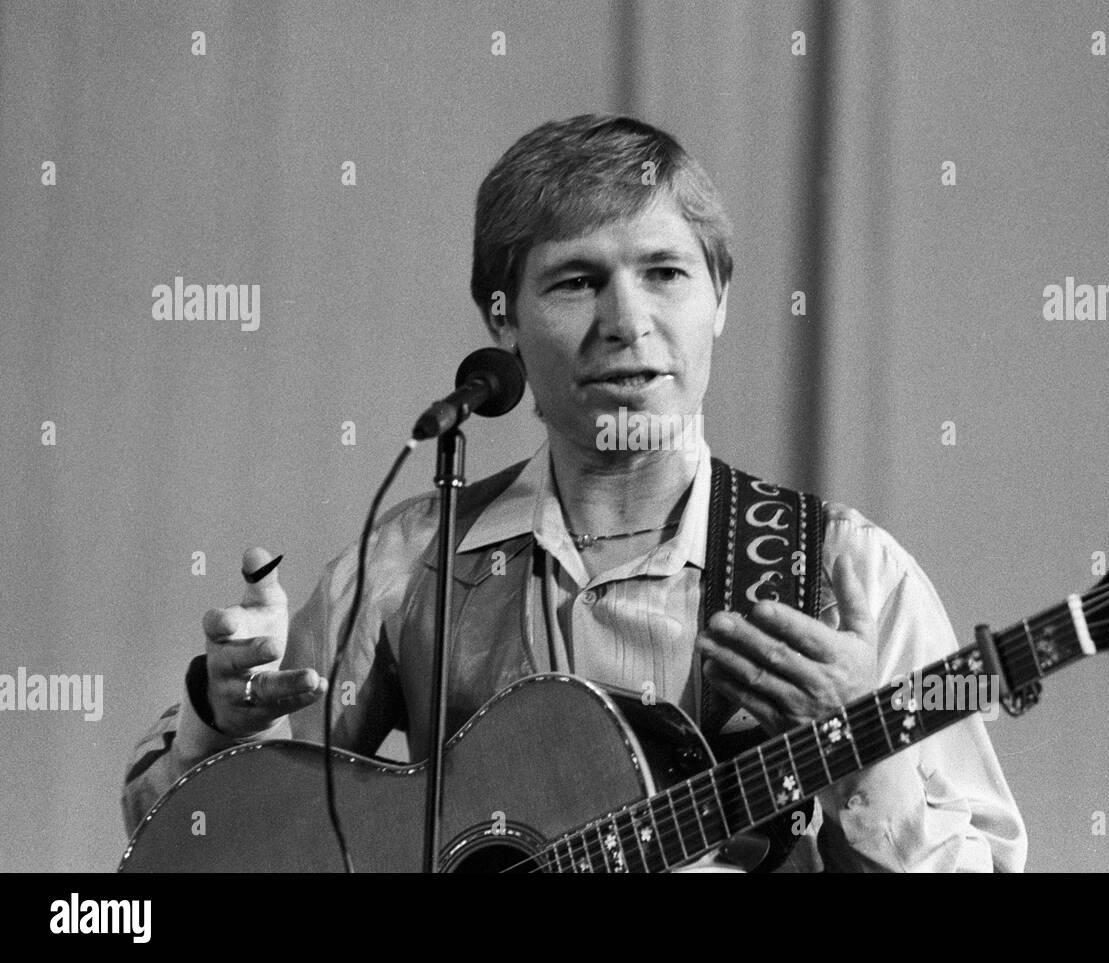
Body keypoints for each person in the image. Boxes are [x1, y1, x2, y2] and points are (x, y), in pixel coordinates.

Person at [122, 114, 1027, 872]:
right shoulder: (410, 561)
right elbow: (186, 849)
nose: (627, 322)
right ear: (503, 318)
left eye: (665, 272)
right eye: (578, 280)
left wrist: (870, 768)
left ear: (720, 297)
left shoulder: (843, 575)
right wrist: (218, 723)